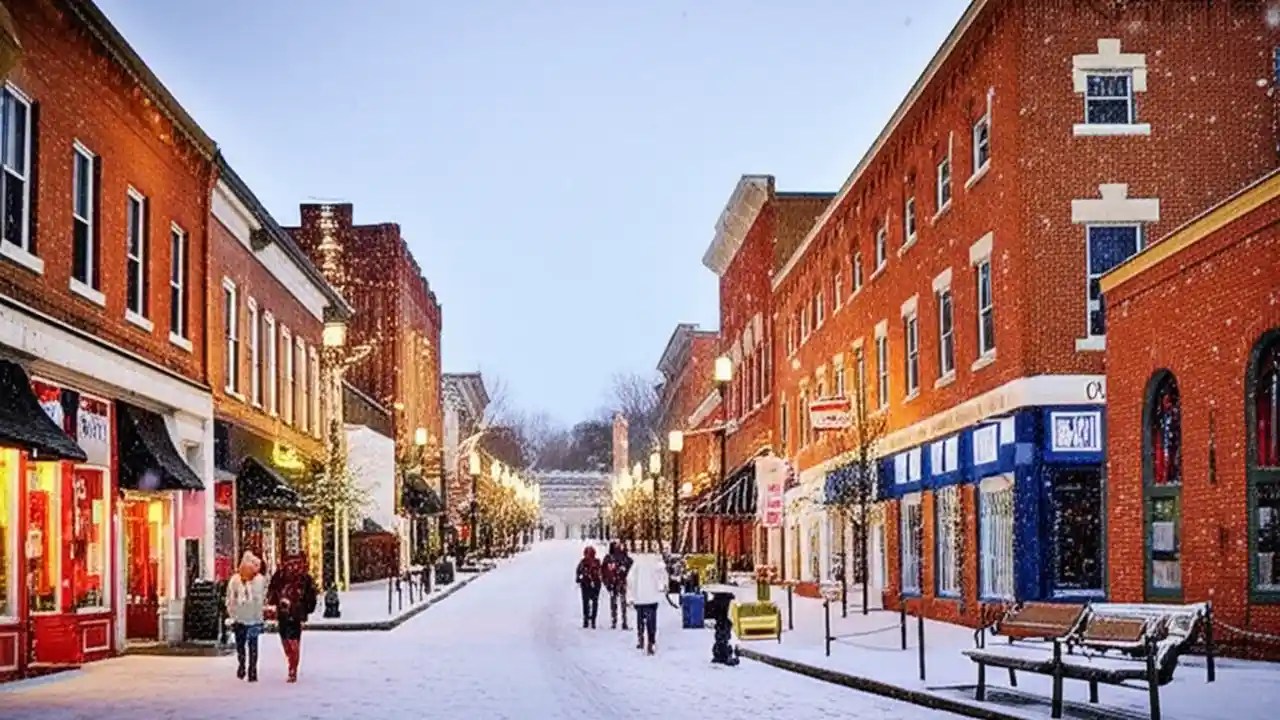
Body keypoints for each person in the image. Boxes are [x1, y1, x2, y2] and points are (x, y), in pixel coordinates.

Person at [267, 557, 318, 683]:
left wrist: (305, 609)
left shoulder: (303, 577)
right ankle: (292, 664)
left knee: (291, 640)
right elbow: (272, 591)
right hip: (285, 613)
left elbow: (310, 596)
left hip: (295, 614)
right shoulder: (280, 575)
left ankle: (292, 668)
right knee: (287, 641)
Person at [225, 551, 267, 682]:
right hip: (240, 617)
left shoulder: (260, 580)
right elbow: (231, 598)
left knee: (252, 644)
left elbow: (262, 598)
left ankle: (252, 670)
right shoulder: (235, 580)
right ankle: (242, 665)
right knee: (241, 644)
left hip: (254, 617)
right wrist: (232, 612)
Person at [627, 554, 669, 655]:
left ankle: (640, 638)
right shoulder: (656, 562)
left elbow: (630, 579)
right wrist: (664, 586)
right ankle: (651, 641)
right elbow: (663, 576)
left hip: (640, 597)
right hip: (652, 597)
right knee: (651, 621)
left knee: (640, 618)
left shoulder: (637, 563)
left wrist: (631, 596)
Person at [601, 542, 633, 630]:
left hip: (612, 583)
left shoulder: (608, 558)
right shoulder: (624, 557)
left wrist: (606, 583)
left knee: (613, 602)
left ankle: (614, 621)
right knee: (623, 602)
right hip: (621, 582)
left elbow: (602, 571)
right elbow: (631, 565)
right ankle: (624, 622)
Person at [574, 545, 602, 629]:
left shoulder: (583, 562)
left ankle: (586, 620)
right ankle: (593, 620)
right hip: (595, 585)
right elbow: (601, 573)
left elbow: (578, 572)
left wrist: (578, 579)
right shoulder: (597, 562)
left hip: (585, 584)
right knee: (595, 602)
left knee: (585, 602)